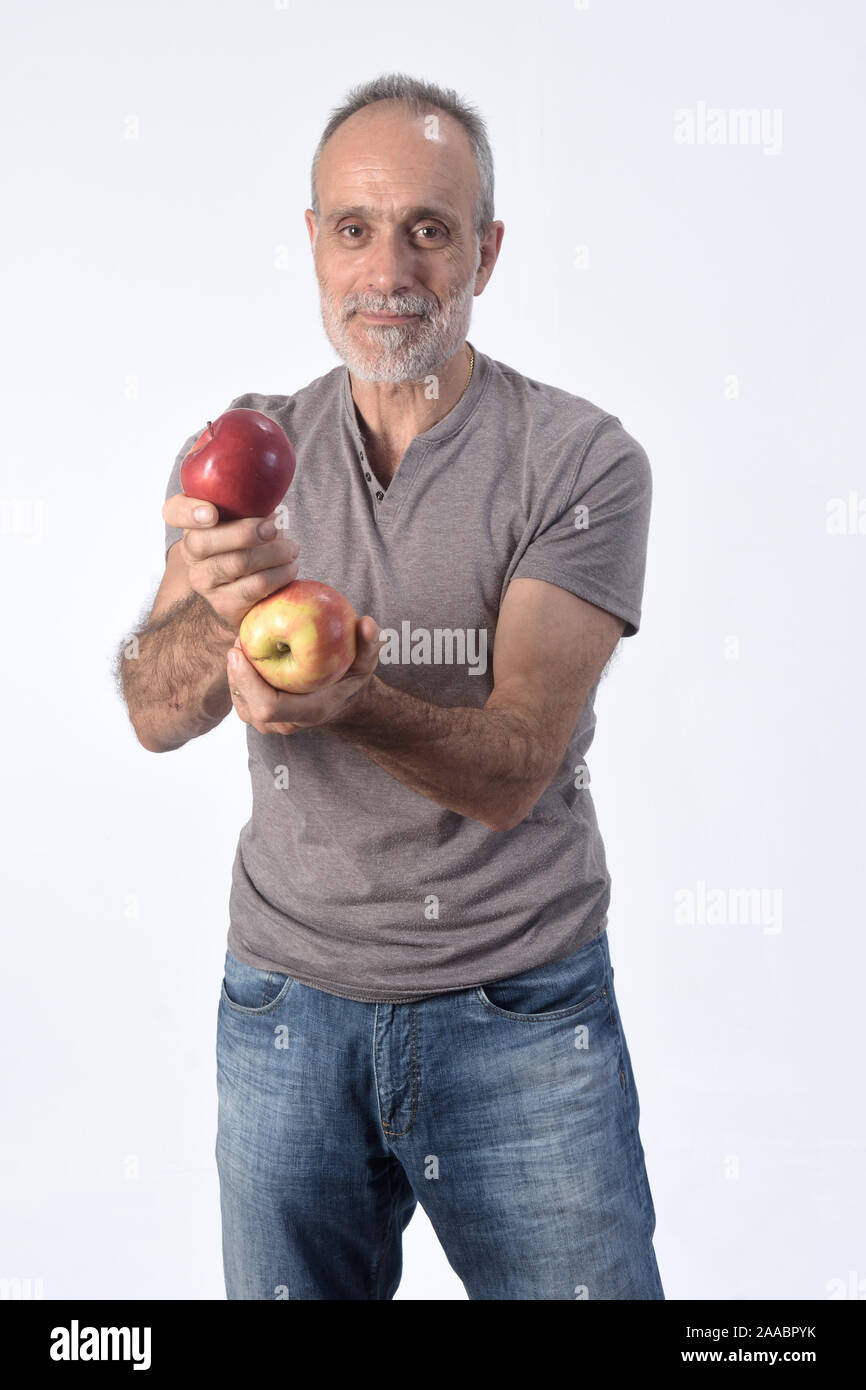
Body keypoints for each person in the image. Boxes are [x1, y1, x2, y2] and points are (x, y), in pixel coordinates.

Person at [118, 71, 664, 1301]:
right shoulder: (245, 448)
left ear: (486, 249)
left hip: (519, 1015)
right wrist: (217, 608)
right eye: (354, 228)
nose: (388, 270)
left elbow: (518, 762)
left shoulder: (578, 460)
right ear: (312, 243)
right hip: (282, 1015)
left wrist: (350, 699)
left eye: (429, 228)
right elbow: (155, 711)